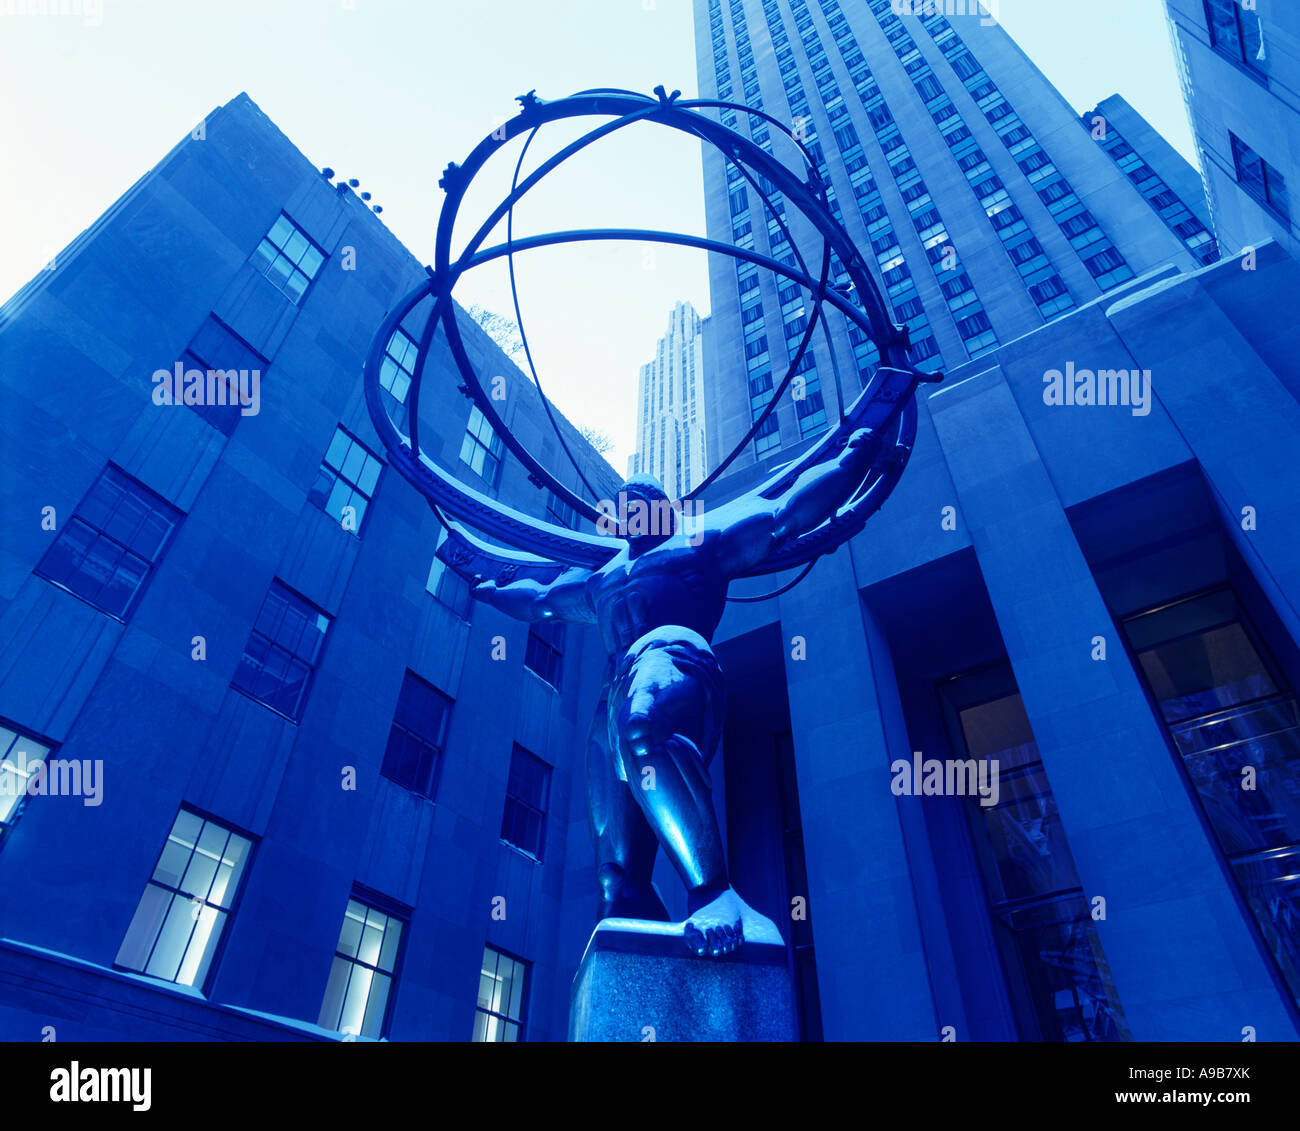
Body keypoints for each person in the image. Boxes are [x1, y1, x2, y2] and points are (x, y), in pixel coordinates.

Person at [473, 428, 882, 956]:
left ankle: (714, 891)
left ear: (665, 508)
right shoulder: (603, 579)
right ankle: (636, 937)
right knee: (615, 883)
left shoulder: (699, 542)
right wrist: (490, 589)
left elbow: (784, 516)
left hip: (674, 658)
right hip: (613, 688)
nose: (632, 512)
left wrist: (851, 463)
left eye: (642, 503)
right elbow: (543, 600)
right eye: (623, 507)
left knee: (644, 723)